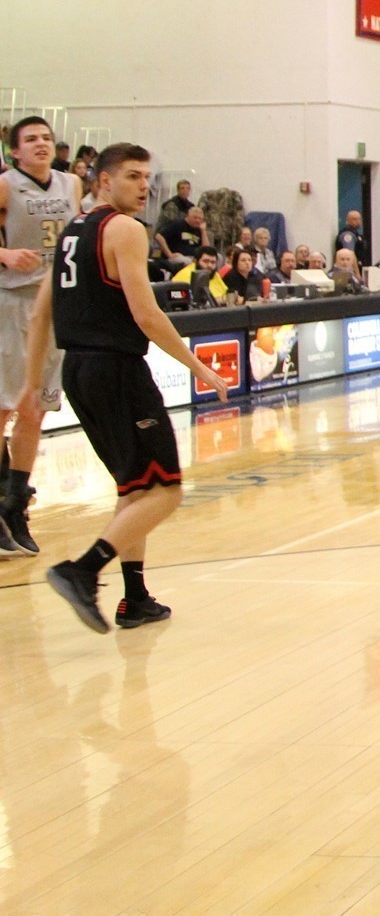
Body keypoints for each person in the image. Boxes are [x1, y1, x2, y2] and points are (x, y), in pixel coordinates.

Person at [23, 144, 229, 631]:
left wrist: (32, 384)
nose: (143, 186)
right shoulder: (126, 230)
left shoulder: (71, 232)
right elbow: (146, 315)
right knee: (166, 490)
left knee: (134, 488)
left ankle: (135, 597)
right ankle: (82, 570)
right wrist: (199, 367)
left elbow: (39, 315)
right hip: (116, 371)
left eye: (146, 177)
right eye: (132, 176)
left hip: (78, 371)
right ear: (103, 181)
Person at [0, 116, 85, 556]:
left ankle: (16, 504)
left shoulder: (71, 184)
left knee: (34, 411)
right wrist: (5, 254)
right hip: (14, 303)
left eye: (46, 138)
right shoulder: (6, 186)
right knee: (4, 409)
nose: (40, 144)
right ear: (14, 151)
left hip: (57, 307)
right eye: (30, 139)